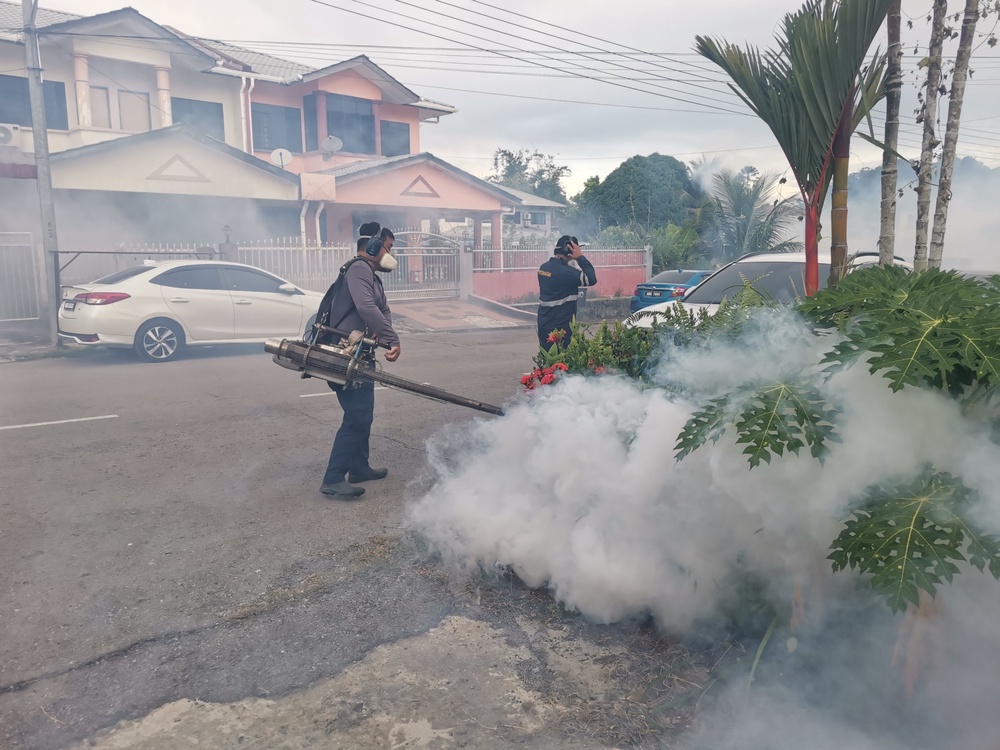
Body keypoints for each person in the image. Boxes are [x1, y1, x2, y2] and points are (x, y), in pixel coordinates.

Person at [320, 221, 401, 500]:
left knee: (364, 413)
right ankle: (333, 478)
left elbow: (383, 309)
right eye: (388, 247)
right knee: (357, 415)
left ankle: (358, 467)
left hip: (361, 355)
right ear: (374, 247)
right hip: (342, 354)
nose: (390, 253)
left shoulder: (372, 276)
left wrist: (383, 332)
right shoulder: (358, 269)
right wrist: (392, 339)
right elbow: (366, 307)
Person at [536, 235, 597, 349]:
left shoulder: (544, 268)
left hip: (543, 324)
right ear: (570, 252)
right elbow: (591, 279)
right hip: (560, 329)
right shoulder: (566, 272)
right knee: (561, 358)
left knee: (547, 358)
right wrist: (580, 257)